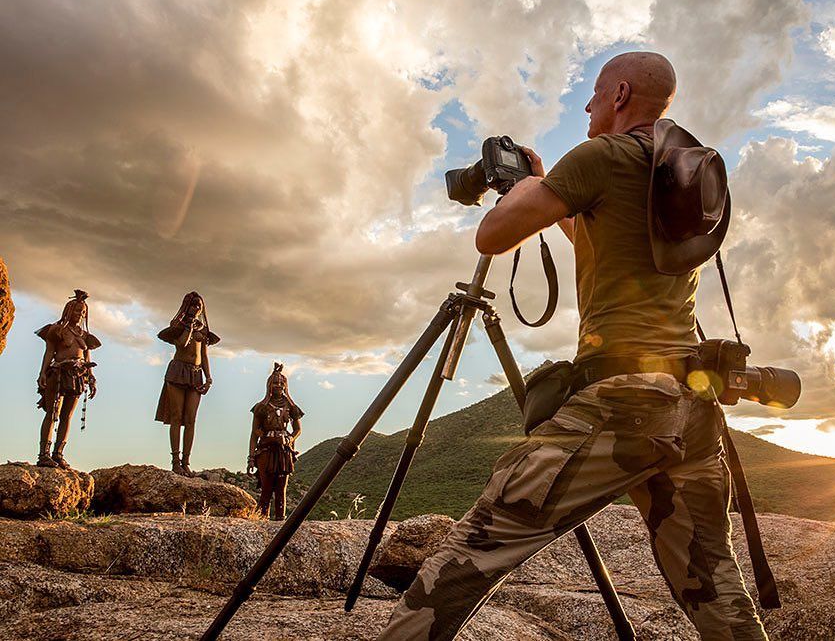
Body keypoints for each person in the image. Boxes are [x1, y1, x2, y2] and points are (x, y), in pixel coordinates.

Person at [378, 52, 768, 640]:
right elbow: (600, 235)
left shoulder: (602, 155)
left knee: (472, 552)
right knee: (714, 585)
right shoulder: (678, 169)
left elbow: (492, 234)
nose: (587, 106)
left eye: (594, 94)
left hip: (623, 404)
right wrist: (550, 187)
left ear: (620, 95)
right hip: (691, 407)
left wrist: (530, 188)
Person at [155, 291, 219, 476]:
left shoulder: (203, 329)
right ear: (186, 306)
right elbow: (182, 344)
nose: (196, 308)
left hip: (195, 374)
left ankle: (186, 462)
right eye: (193, 305)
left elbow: (204, 355)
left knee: (191, 419)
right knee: (176, 416)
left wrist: (208, 378)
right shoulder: (178, 325)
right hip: (178, 371)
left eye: (199, 306)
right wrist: (189, 326)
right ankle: (175, 462)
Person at [35, 289, 100, 469]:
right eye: (77, 310)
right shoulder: (57, 330)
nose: (80, 314)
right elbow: (49, 352)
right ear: (68, 310)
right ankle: (43, 455)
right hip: (58, 373)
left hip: (77, 375)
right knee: (52, 413)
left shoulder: (84, 336)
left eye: (83, 312)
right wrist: (42, 373)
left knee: (67, 416)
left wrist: (91, 378)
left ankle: (58, 453)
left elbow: (87, 358)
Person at [247, 363, 303, 521]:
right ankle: (261, 522)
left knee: (281, 490)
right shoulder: (261, 407)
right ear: (269, 385)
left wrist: (289, 439)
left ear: (285, 386)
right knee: (266, 489)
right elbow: (254, 433)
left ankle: (280, 523)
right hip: (266, 450)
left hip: (284, 452)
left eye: (281, 383)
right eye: (275, 383)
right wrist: (251, 458)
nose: (278, 385)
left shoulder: (291, 407)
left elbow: (298, 430)